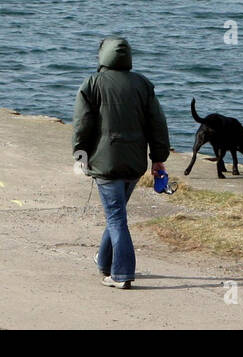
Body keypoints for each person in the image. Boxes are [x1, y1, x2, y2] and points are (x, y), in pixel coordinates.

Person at [71, 36, 170, 289]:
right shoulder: (143, 85)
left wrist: (80, 153)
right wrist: (158, 158)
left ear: (102, 56)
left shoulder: (92, 84)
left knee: (116, 217)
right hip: (134, 163)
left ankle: (122, 274)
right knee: (116, 214)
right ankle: (104, 263)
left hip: (106, 163)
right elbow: (158, 124)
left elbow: (83, 124)